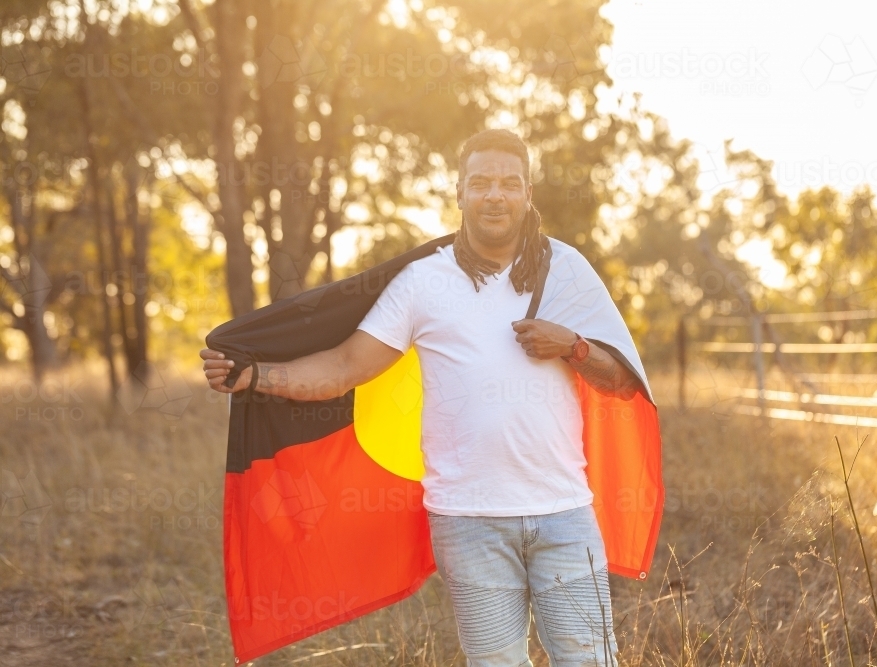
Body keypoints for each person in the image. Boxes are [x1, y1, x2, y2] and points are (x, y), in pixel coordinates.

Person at [202, 129, 643, 666]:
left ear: (529, 194)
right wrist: (253, 376)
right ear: (459, 192)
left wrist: (572, 346)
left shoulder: (567, 270)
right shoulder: (422, 282)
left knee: (590, 663)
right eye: (481, 183)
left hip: (564, 514)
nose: (495, 195)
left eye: (510, 183)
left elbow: (623, 380)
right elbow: (345, 367)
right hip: (467, 521)